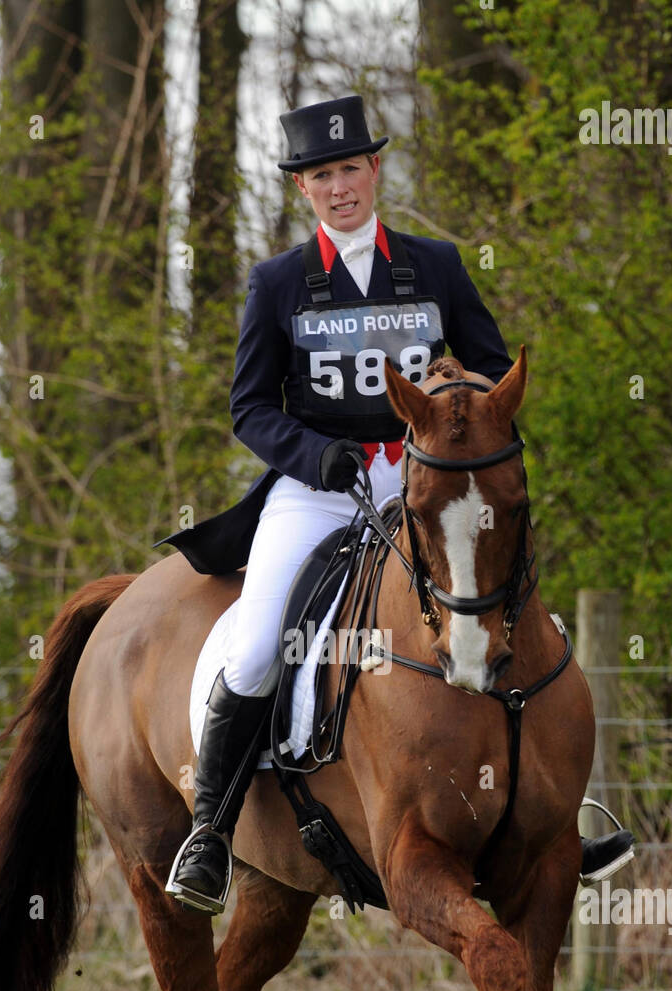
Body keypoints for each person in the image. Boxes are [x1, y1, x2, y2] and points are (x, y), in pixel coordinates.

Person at [162, 95, 633, 913]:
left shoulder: (436, 266)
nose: (339, 186)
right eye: (321, 175)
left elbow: (490, 372)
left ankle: (552, 818)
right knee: (262, 638)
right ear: (302, 189)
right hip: (318, 490)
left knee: (501, 607)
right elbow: (249, 407)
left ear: (374, 171)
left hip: (428, 485)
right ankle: (211, 828)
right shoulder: (278, 283)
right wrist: (317, 454)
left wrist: (458, 422)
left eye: (350, 168)